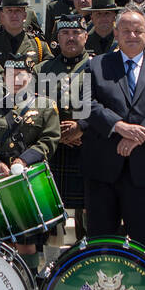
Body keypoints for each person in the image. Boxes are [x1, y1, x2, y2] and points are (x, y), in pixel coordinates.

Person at [82, 6, 145, 257]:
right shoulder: (95, 66)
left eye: (138, 31)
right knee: (101, 247)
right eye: (126, 30)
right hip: (104, 172)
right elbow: (83, 104)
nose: (132, 35)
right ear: (116, 33)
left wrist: (139, 134)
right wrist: (119, 127)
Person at [0, 57, 60, 277]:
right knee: (2, 238)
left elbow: (49, 139)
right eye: (11, 74)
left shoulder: (45, 106)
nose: (16, 79)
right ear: (3, 77)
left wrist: (24, 160)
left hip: (27, 180)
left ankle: (29, 280)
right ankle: (7, 279)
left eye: (21, 74)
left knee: (26, 239)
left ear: (30, 77)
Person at [38, 14, 92, 261]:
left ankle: (86, 261)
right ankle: (50, 267)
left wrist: (82, 128)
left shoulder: (99, 66)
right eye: (65, 34)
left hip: (88, 147)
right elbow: (31, 109)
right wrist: (57, 134)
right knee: (51, 213)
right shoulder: (42, 70)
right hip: (53, 150)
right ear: (57, 38)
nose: (71, 38)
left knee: (89, 212)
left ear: (85, 36)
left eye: (76, 33)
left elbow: (108, 105)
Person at [0, 0, 50, 69]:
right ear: (2, 16)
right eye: (9, 11)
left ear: (25, 15)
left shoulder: (39, 46)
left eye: (18, 10)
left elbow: (50, 73)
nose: (14, 15)